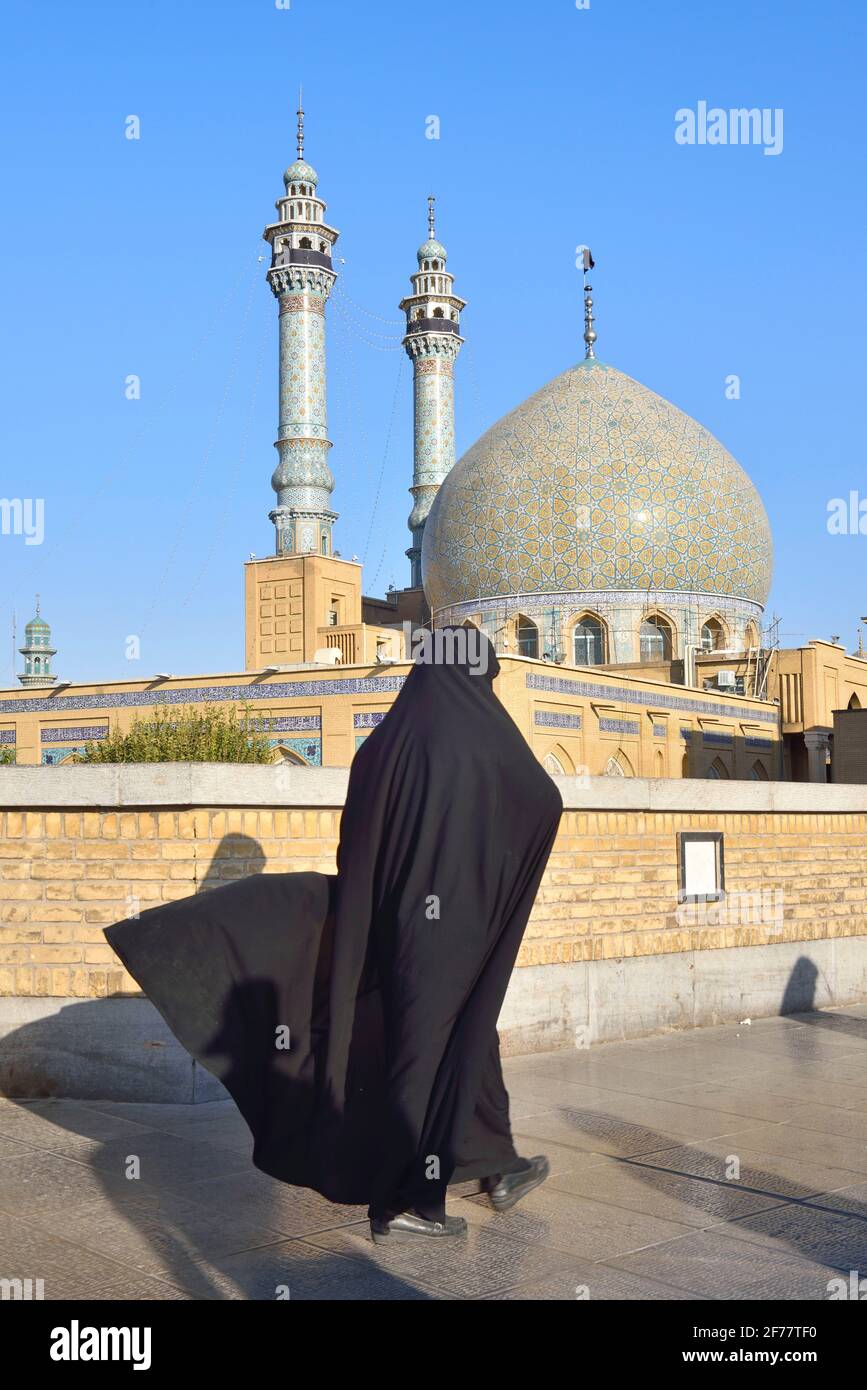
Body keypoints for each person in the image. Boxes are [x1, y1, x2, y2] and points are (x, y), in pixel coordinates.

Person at [106, 626, 562, 1244]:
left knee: (468, 1040)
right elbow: (545, 798)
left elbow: (357, 844)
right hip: (453, 931)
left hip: (383, 920)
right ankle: (406, 1201)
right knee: (425, 1048)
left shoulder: (383, 746)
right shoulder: (486, 740)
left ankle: (495, 1162)